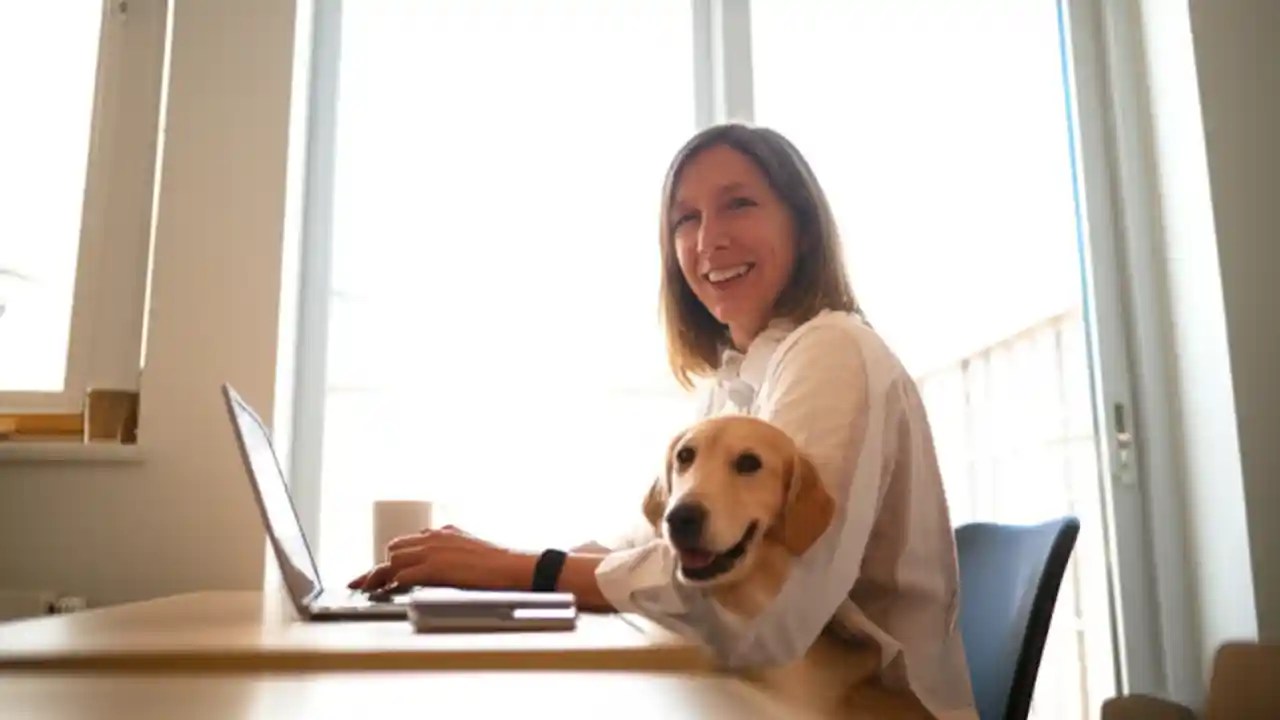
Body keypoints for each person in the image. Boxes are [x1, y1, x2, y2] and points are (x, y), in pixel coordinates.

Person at [349, 122, 977, 719]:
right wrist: (489, 562)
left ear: (804, 229)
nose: (708, 240)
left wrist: (522, 570)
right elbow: (642, 546)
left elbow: (768, 613)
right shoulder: (730, 389)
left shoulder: (832, 350)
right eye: (686, 218)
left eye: (738, 205)